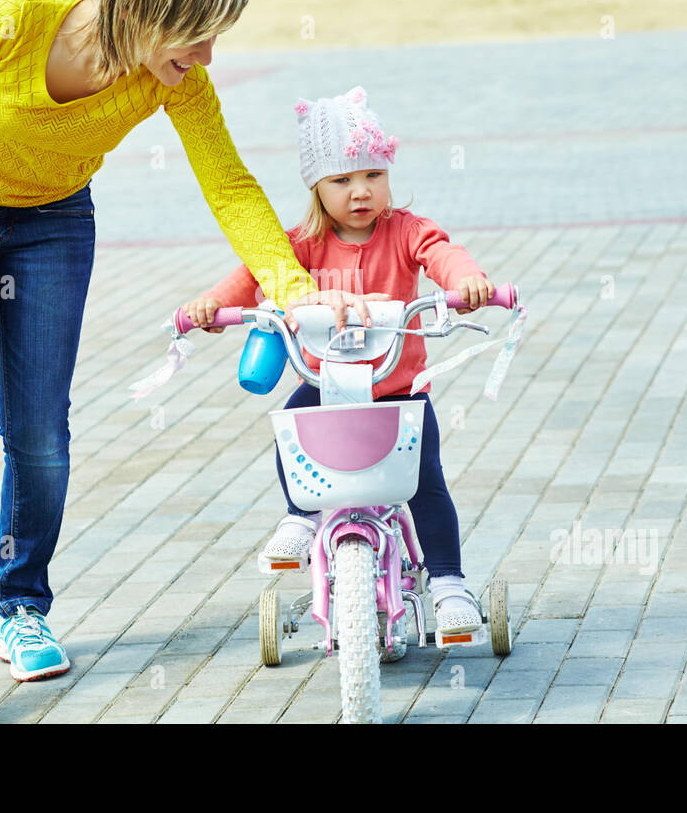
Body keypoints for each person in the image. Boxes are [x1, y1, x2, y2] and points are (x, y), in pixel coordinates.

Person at [0, 0, 380, 724]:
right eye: (197, 34)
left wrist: (292, 289)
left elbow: (228, 184)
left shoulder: (171, 77)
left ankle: (19, 606)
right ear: (146, 9)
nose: (208, 56)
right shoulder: (13, 16)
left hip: (51, 226)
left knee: (39, 430)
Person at [181, 86, 496, 638]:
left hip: (399, 389)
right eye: (342, 180)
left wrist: (465, 280)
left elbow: (442, 253)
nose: (360, 192)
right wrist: (214, 304)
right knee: (292, 427)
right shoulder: (301, 242)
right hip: (325, 388)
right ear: (315, 187)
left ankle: (448, 583)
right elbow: (256, 274)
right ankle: (301, 517)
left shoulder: (406, 231)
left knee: (426, 483)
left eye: (373, 175)